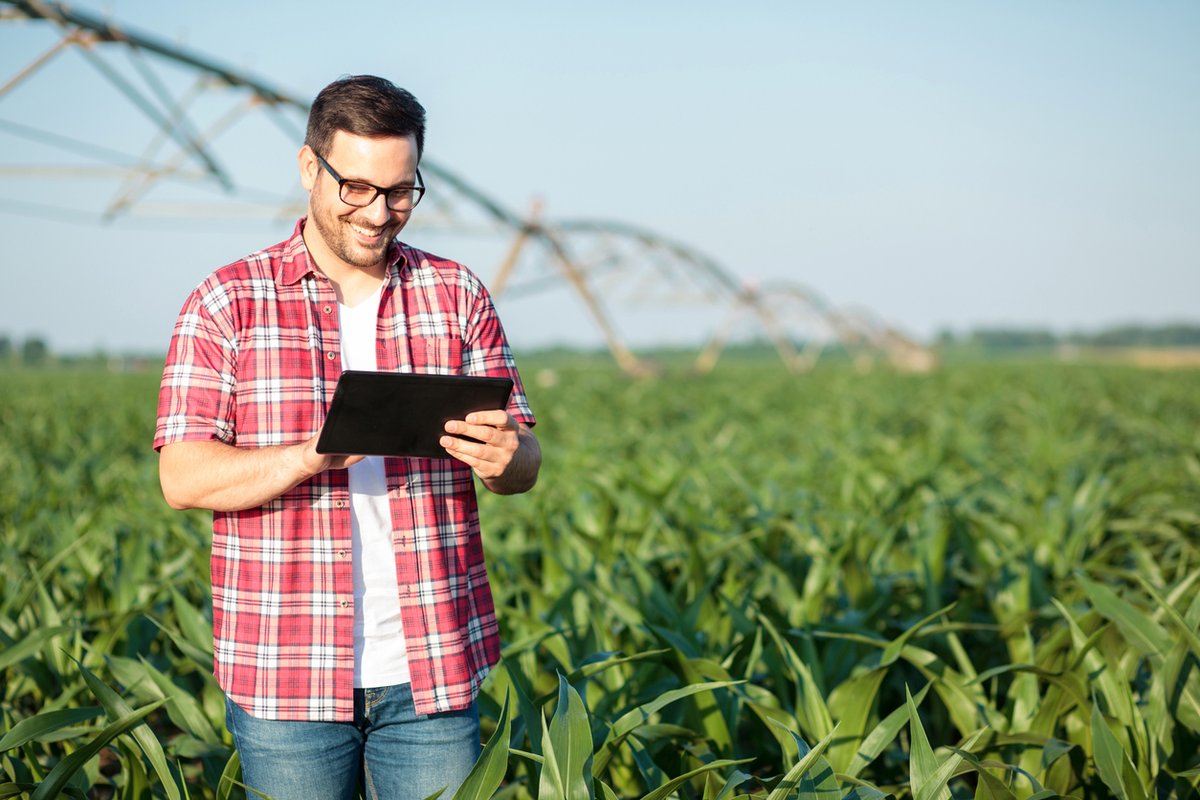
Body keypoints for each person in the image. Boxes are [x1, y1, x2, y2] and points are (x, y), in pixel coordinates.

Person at [154, 75, 540, 800]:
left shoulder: (456, 295)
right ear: (310, 168)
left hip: (431, 671)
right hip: (285, 674)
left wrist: (509, 457)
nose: (379, 212)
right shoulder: (227, 303)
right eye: (356, 187)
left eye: (400, 191)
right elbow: (183, 478)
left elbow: (524, 460)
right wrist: (312, 456)